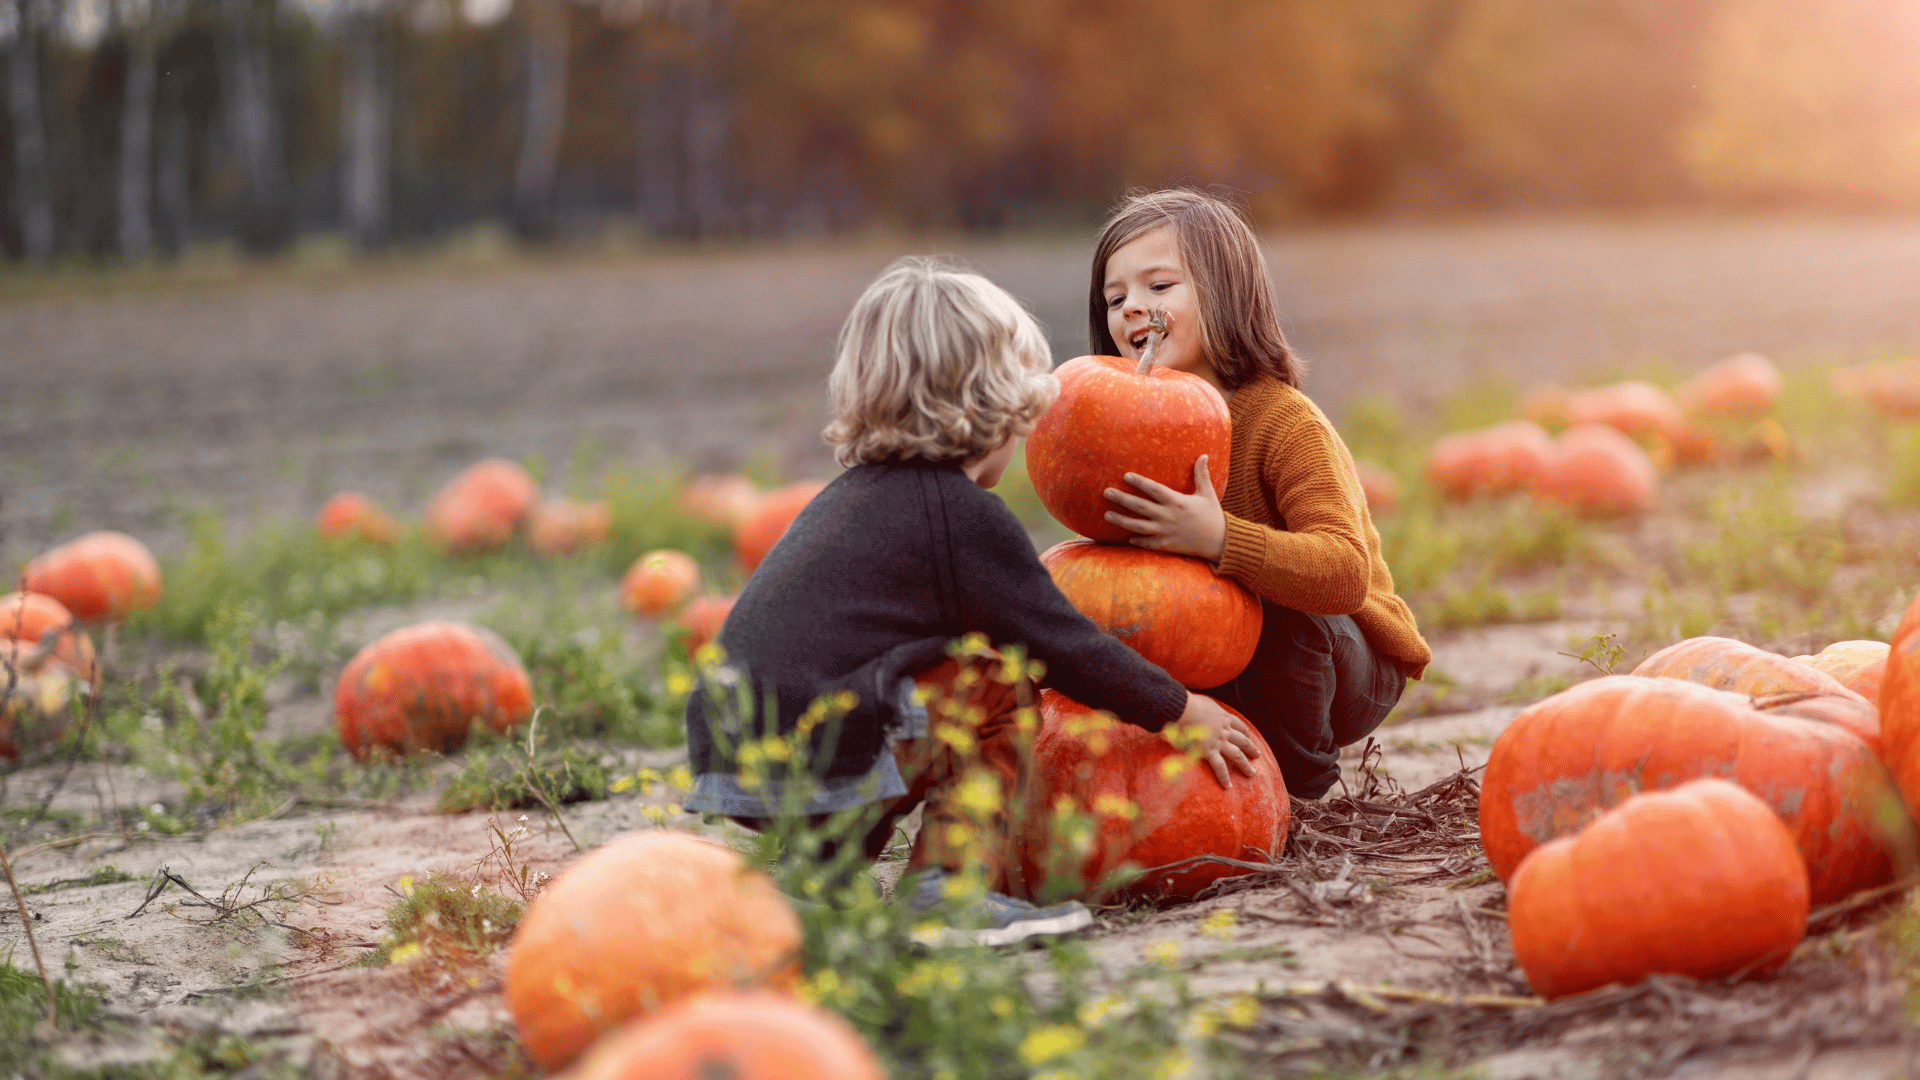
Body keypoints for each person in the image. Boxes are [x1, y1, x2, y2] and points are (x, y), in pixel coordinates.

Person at [683, 255, 1260, 944]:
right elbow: (1062, 645)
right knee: (994, 687)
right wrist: (1180, 707)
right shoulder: (958, 516)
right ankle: (948, 892)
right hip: (821, 751)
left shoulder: (846, 501)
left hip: (733, 749)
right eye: (1021, 429)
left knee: (904, 689)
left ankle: (815, 889)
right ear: (992, 412)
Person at [1089, 189, 1432, 800]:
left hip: (1344, 660)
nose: (1133, 309)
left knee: (1286, 622)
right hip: (1219, 656)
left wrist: (1219, 538)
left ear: (1225, 292)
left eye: (1159, 288)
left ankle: (1308, 796)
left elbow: (1344, 575)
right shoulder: (1125, 438)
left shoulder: (1282, 421)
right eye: (1116, 298)